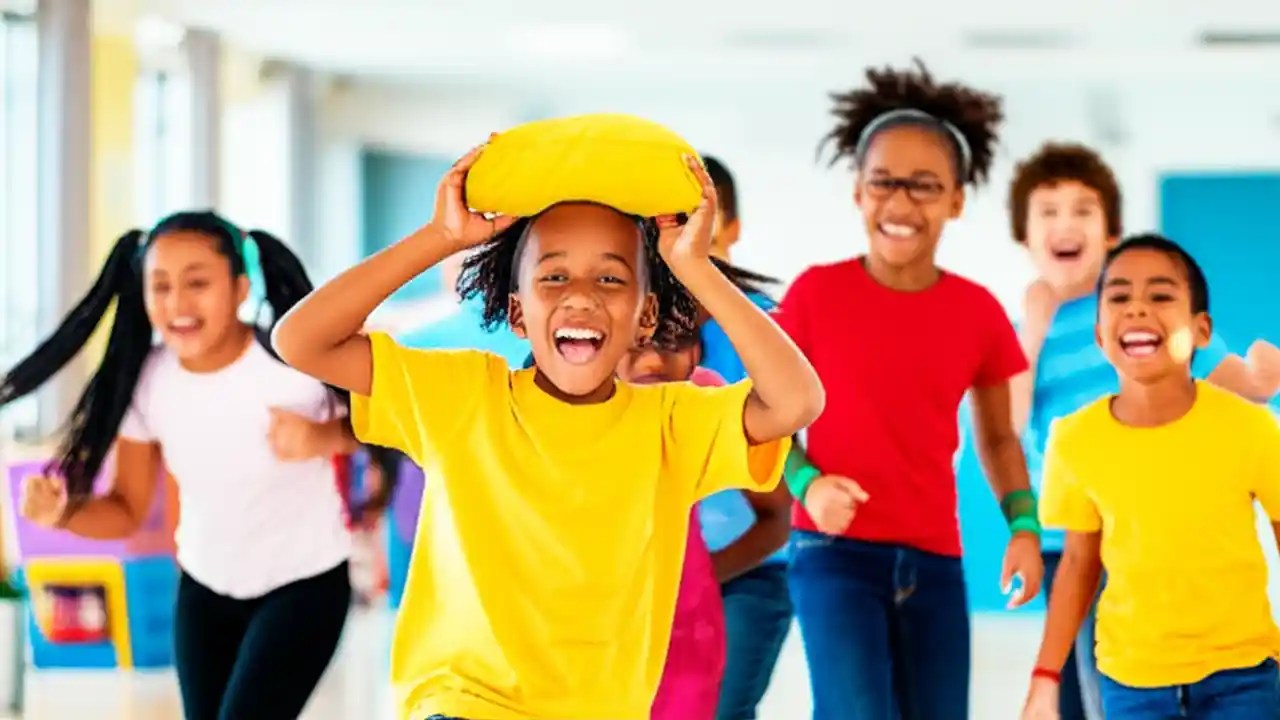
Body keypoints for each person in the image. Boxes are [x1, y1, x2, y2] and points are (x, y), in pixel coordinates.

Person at [271, 142, 822, 720]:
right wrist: (442, 238)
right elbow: (301, 340)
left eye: (611, 279)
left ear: (647, 317)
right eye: (553, 275)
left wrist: (694, 268)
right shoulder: (461, 395)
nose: (580, 295)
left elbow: (796, 401)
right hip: (462, 702)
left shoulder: (674, 423)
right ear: (516, 313)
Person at [0, 211, 356, 720]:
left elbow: (388, 432)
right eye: (160, 286)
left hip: (305, 585)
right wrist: (63, 513)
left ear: (238, 288)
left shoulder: (291, 362)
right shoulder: (148, 380)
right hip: (204, 590)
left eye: (197, 283)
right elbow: (126, 509)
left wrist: (324, 437)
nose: (177, 304)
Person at [774, 60, 1044, 720]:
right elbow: (760, 420)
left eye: (924, 187)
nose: (900, 204)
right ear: (858, 193)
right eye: (883, 183)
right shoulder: (814, 294)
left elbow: (1000, 436)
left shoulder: (978, 311)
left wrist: (1025, 525)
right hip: (831, 555)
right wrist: (807, 482)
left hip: (935, 560)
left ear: (956, 199)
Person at [1007, 142, 1280, 720]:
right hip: (1071, 538)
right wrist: (1033, 328)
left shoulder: (1150, 305)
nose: (1065, 224)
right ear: (1025, 238)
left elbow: (1235, 384)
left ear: (1109, 234)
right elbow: (1010, 422)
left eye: (1083, 211)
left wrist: (1262, 376)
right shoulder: (1025, 330)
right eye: (1048, 213)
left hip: (1155, 532)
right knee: (1092, 685)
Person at [695, 154, 795, 720]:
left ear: (731, 228)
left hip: (753, 562)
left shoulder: (764, 325)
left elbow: (787, 450)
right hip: (656, 569)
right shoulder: (634, 320)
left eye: (703, 219)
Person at [616, 337, 727, 720]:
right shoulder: (560, 404)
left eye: (674, 339)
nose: (650, 360)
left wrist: (697, 584)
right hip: (586, 635)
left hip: (685, 635)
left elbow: (774, 515)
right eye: (632, 344)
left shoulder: (702, 397)